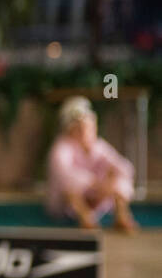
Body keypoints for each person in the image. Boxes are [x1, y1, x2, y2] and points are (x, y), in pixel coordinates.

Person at [46, 96, 138, 234]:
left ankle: (122, 217)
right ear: (70, 129)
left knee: (121, 180)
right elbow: (64, 174)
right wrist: (95, 183)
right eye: (80, 127)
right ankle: (86, 218)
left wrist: (110, 182)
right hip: (66, 206)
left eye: (88, 126)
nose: (85, 131)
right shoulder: (61, 148)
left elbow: (125, 167)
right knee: (70, 186)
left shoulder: (99, 146)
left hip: (97, 195)